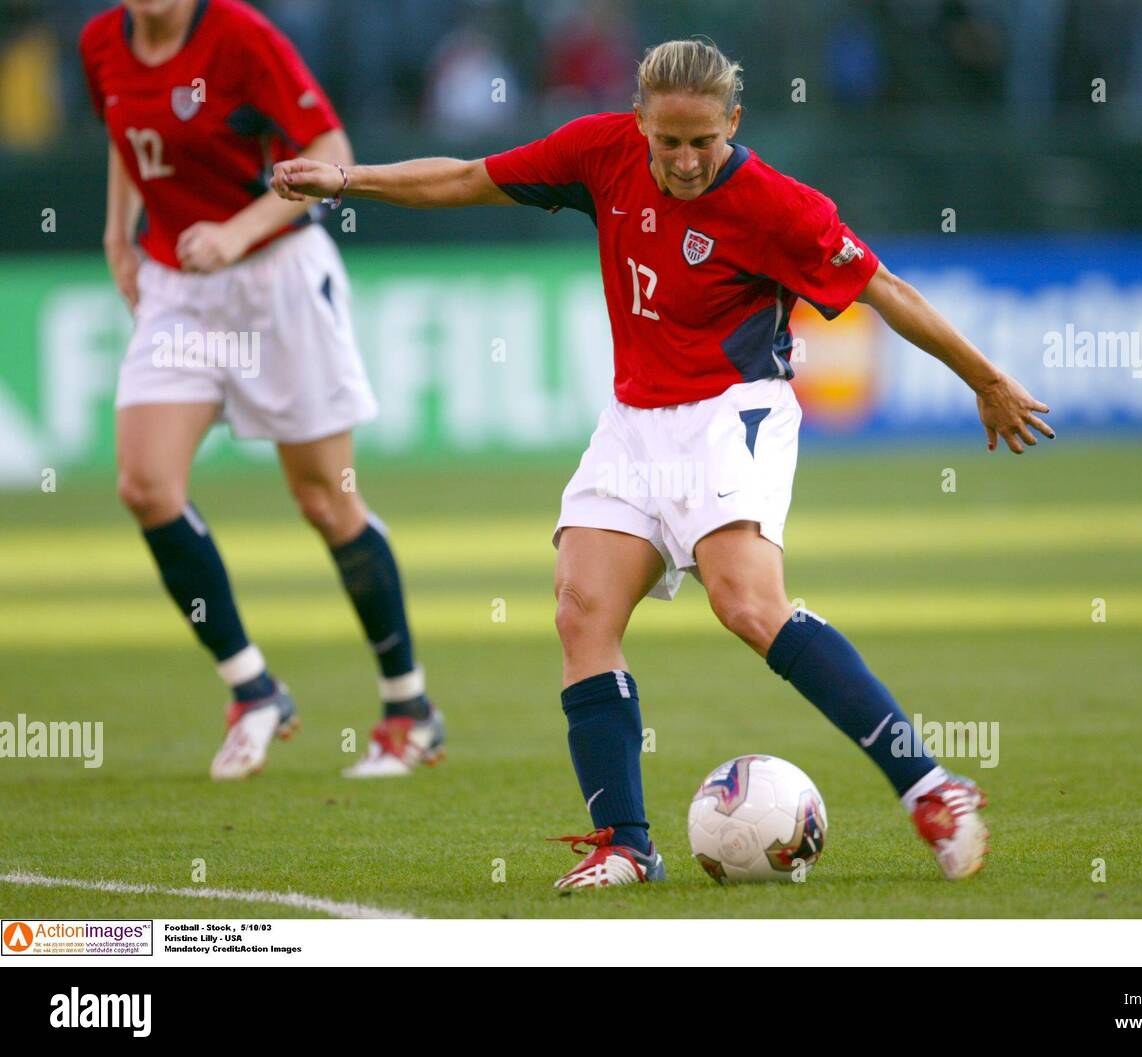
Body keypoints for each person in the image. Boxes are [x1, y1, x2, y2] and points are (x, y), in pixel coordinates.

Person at [273, 38, 1054, 886]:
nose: (684, 161)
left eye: (703, 142)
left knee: (749, 605)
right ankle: (626, 843)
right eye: (667, 141)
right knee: (581, 609)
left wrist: (987, 378)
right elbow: (468, 176)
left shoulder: (777, 206)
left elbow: (885, 289)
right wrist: (350, 181)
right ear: (639, 121)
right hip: (634, 419)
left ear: (734, 123)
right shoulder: (599, 152)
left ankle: (934, 788)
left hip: (733, 410)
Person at [80, 0, 445, 781]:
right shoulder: (100, 43)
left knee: (324, 501)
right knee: (145, 485)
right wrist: (118, 235)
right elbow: (125, 138)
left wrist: (238, 232)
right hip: (179, 285)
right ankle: (253, 689)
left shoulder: (240, 37)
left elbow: (330, 146)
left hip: (275, 275)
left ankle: (409, 710)